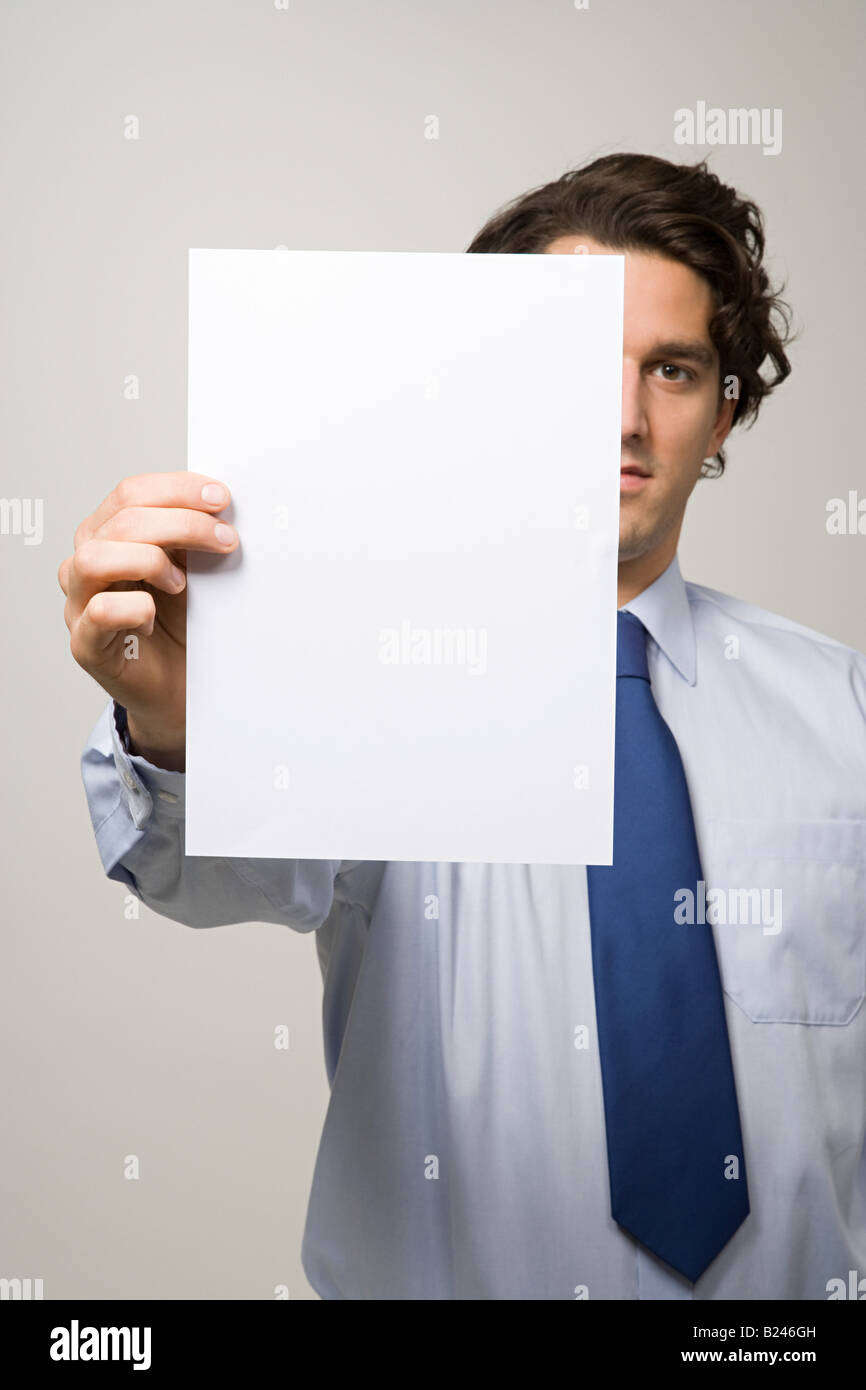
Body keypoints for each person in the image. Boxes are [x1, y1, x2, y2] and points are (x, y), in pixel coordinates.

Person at [59, 152, 866, 1301]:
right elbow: (210, 872)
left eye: (674, 370)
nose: (624, 419)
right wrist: (188, 727)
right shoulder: (360, 677)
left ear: (724, 408)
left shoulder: (845, 717)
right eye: (577, 369)